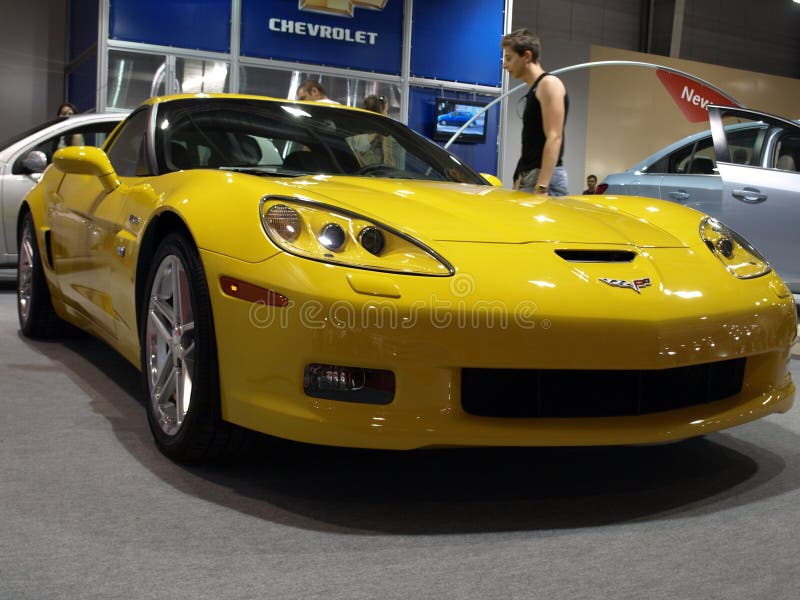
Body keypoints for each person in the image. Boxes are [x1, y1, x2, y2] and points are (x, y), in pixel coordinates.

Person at [501, 29, 569, 196]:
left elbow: (554, 137)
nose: (505, 65)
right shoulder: (536, 89)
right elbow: (532, 143)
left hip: (543, 180)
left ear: (527, 56)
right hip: (530, 177)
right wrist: (520, 177)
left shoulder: (549, 84)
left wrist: (542, 186)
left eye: (509, 58)